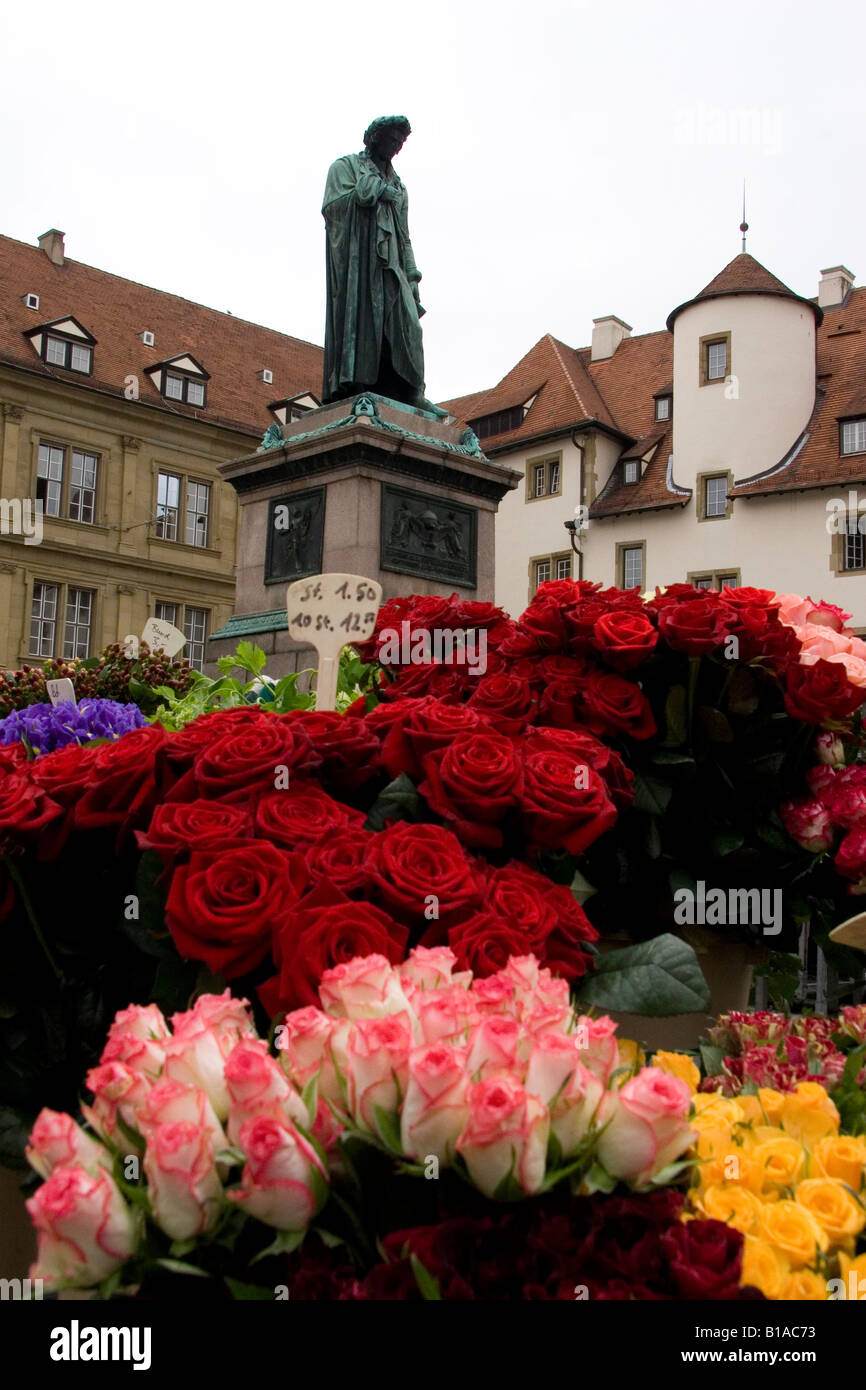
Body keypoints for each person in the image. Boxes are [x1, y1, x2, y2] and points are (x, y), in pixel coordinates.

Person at [322, 116, 444, 415]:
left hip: (394, 265)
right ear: (375, 137)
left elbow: (404, 234)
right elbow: (333, 209)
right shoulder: (345, 167)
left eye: (401, 143)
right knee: (370, 324)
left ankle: (411, 392)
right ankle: (362, 384)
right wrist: (371, 192)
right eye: (392, 140)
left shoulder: (399, 185)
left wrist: (413, 278)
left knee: (409, 325)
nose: (396, 148)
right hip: (360, 271)